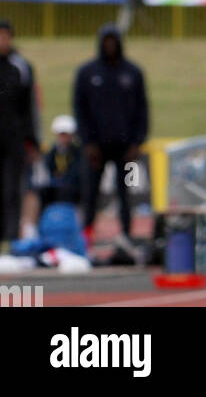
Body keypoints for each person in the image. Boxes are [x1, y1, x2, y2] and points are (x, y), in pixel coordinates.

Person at [73, 24, 149, 244]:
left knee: (128, 192)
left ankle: (127, 235)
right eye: (106, 41)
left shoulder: (133, 73)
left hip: (126, 148)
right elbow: (80, 109)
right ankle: (86, 237)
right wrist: (87, 142)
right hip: (95, 148)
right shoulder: (87, 72)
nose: (109, 46)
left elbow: (142, 109)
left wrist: (137, 142)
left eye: (113, 41)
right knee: (90, 193)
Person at [0, 19, 40, 246]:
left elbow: (30, 108)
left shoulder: (21, 67)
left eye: (5, 36)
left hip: (13, 140)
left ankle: (11, 236)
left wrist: (32, 141)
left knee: (12, 189)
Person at [40, 115, 83, 209]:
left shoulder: (78, 152)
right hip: (55, 185)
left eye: (66, 135)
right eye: (61, 135)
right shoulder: (52, 151)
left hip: (72, 187)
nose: (63, 138)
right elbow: (48, 167)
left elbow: (77, 171)